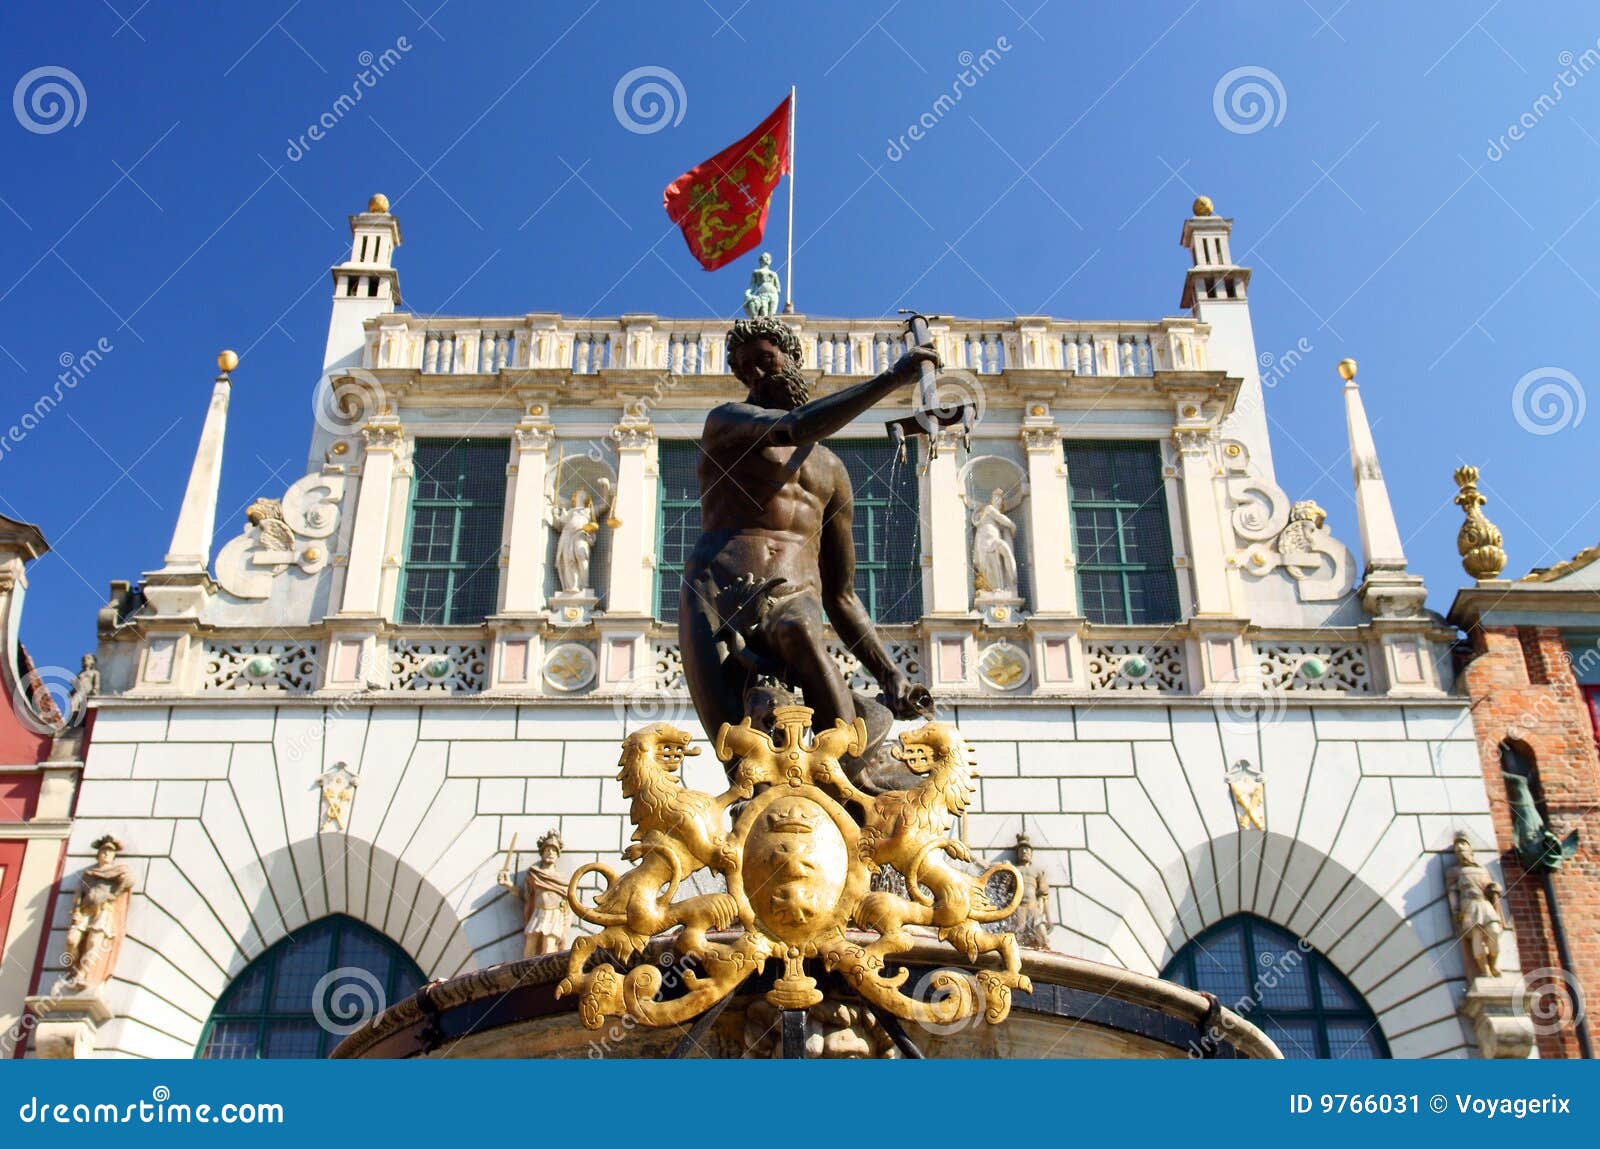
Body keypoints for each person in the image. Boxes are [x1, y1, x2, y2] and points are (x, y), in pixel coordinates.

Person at [677, 317, 937, 788]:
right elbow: (794, 426)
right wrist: (892, 380)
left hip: (794, 595)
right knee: (739, 762)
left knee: (799, 633)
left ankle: (856, 775)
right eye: (745, 368)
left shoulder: (833, 473)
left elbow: (841, 596)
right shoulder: (728, 422)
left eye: (765, 360)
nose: (756, 374)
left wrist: (890, 673)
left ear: (793, 359)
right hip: (717, 596)